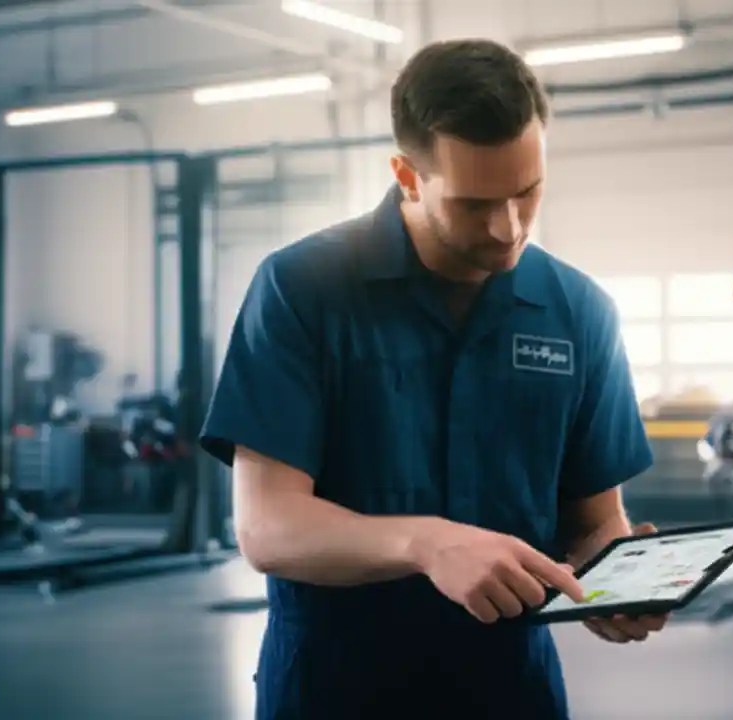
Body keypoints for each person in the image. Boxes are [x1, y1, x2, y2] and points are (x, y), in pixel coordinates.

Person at [199, 39, 666, 720]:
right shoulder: (304, 289)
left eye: (528, 192)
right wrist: (426, 544)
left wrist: (619, 580)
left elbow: (595, 523)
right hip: (338, 689)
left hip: (512, 688)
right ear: (407, 174)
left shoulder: (579, 311)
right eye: (476, 203)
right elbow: (268, 528)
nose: (509, 228)